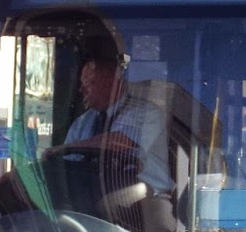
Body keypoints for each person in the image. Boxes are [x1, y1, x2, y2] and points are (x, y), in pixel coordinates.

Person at [52, 31, 173, 215]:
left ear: (113, 83)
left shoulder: (146, 112)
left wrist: (66, 148)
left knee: (106, 204)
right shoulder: (82, 123)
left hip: (148, 201)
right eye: (82, 84)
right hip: (98, 198)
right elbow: (70, 163)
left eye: (89, 83)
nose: (81, 90)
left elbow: (119, 143)